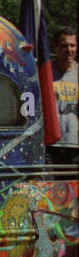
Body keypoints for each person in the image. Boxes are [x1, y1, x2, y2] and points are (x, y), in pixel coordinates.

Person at [51, 27, 77, 165]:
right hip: (50, 145)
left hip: (75, 145)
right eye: (64, 45)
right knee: (49, 186)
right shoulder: (44, 73)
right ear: (55, 46)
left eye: (72, 45)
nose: (69, 50)